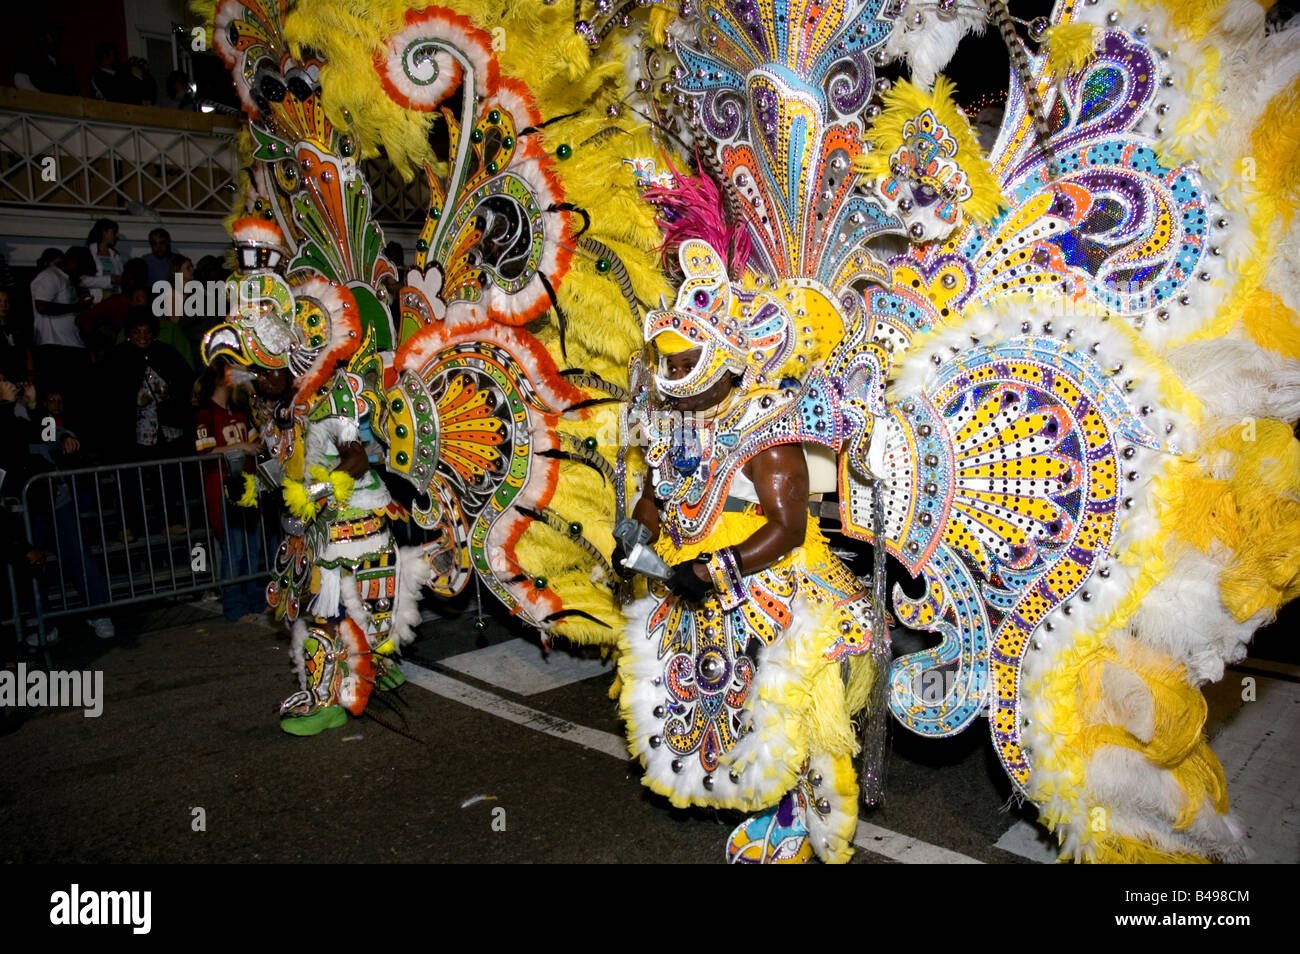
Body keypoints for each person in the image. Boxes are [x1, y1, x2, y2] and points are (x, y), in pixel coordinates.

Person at [615, 241, 878, 864]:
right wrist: (639, 530)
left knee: (775, 703)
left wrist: (719, 567)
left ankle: (790, 816)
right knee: (713, 701)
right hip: (689, 583)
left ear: (727, 360)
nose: (673, 380)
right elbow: (661, 495)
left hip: (766, 586)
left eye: (686, 364)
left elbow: (787, 526)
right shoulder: (674, 421)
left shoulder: (767, 428)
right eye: (668, 364)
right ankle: (763, 803)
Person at [194, 359, 264, 623]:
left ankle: (255, 600)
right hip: (222, 486)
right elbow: (205, 451)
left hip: (248, 484)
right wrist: (242, 447)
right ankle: (235, 607)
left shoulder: (240, 409)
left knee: (252, 545)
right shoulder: (205, 413)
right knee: (233, 548)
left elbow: (257, 442)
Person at [30, 247, 92, 428]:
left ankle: (72, 440)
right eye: (83, 266)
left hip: (72, 347)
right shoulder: (50, 276)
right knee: (53, 402)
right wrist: (76, 307)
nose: (83, 272)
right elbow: (41, 306)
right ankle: (52, 443)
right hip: (55, 348)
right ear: (73, 261)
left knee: (73, 402)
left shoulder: (67, 281)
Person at [13, 25, 78, 97]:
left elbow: (73, 93)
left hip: (62, 106)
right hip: (35, 105)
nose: (56, 39)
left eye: (59, 36)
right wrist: (42, 98)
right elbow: (20, 80)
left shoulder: (66, 66)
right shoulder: (30, 57)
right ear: (42, 38)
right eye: (53, 36)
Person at [88, 42, 154, 106]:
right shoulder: (97, 76)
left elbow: (144, 92)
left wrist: (140, 75)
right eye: (114, 54)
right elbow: (113, 96)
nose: (118, 57)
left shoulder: (123, 73)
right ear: (105, 56)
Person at [82, 219, 123, 305]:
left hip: (115, 302)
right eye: (113, 232)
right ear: (104, 232)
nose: (116, 236)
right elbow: (83, 280)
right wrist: (110, 280)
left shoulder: (115, 255)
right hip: (97, 302)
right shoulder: (88, 253)